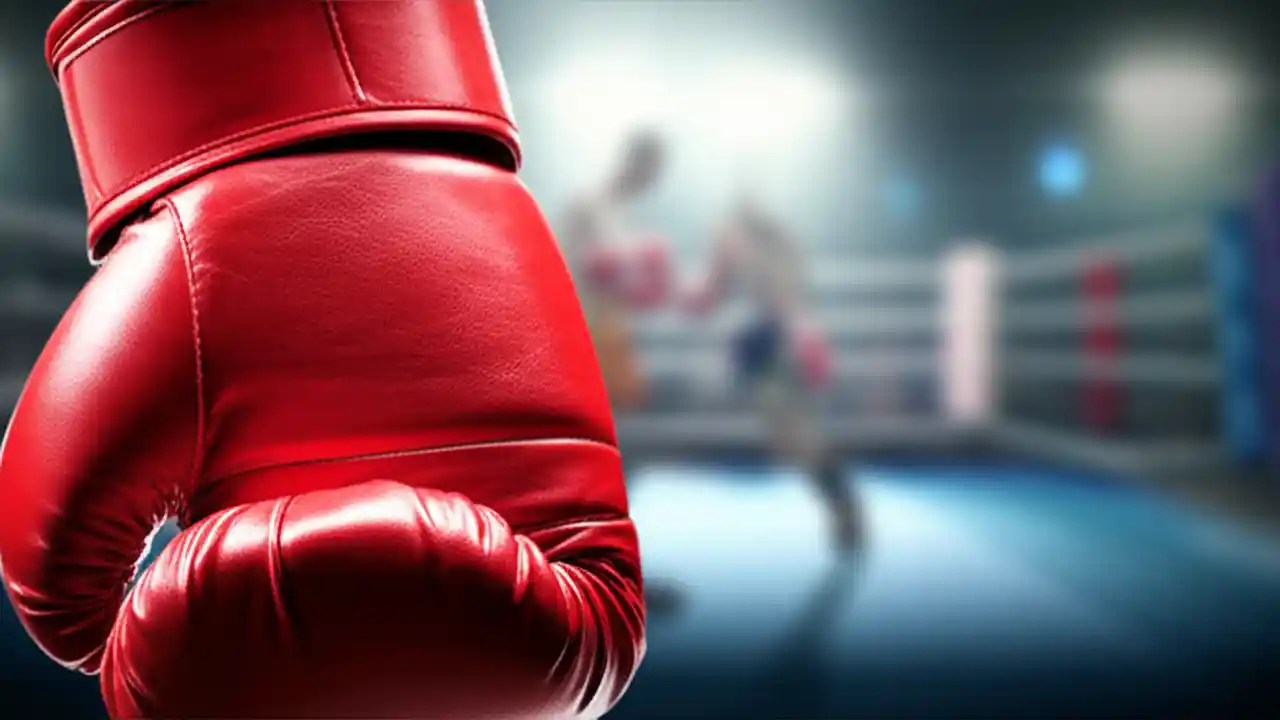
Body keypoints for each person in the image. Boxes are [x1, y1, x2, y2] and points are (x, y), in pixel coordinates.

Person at [685, 190, 863, 553]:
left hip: (784, 345)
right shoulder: (758, 251)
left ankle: (844, 509)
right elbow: (710, 296)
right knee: (794, 439)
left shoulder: (768, 252)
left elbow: (782, 300)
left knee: (799, 439)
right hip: (773, 343)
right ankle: (843, 507)